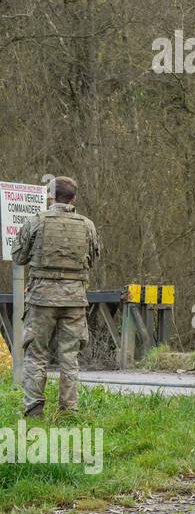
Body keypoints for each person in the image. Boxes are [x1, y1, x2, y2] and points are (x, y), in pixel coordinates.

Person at [12, 176, 101, 418]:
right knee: (70, 357)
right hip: (74, 300)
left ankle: (33, 411)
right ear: (74, 197)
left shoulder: (36, 222)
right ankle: (69, 411)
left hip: (41, 300)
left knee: (36, 354)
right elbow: (93, 260)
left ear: (50, 196)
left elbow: (19, 257)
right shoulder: (87, 225)